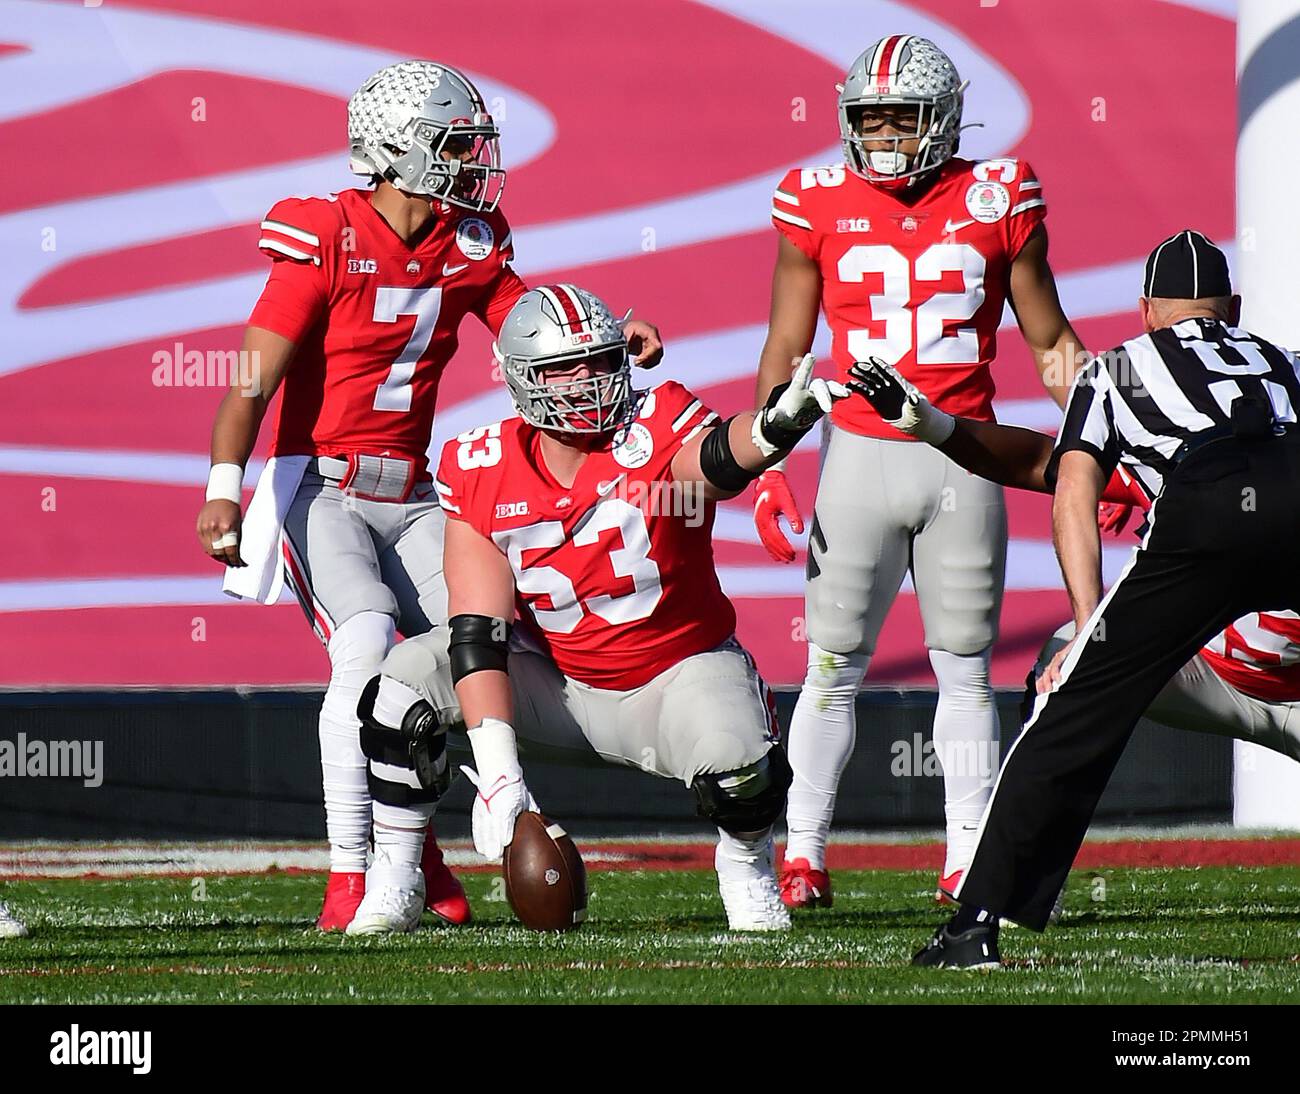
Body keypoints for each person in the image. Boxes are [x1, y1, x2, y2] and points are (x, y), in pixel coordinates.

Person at [194, 62, 661, 933]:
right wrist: (225, 486)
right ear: (395, 150)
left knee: (474, 644)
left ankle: (451, 834)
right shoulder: (326, 233)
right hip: (321, 485)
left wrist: (605, 338)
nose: (473, 161)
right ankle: (350, 875)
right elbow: (253, 378)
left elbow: (531, 324)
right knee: (367, 644)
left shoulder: (466, 239)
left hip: (412, 493)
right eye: (454, 144)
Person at [356, 283, 867, 932]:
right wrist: (499, 776)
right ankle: (396, 876)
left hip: (673, 681)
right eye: (569, 367)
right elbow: (477, 634)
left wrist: (773, 427)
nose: (592, 378)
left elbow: (715, 461)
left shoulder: (654, 423)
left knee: (745, 772)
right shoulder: (481, 464)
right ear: (525, 380)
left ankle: (746, 868)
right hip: (555, 683)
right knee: (401, 685)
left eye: (600, 359)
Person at [883, 229, 1300, 967]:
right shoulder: (1284, 361)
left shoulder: (1118, 367)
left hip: (1206, 506)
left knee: (1069, 711)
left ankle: (975, 924)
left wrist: (1087, 624)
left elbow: (1068, 481)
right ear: (1232, 309)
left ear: (1144, 311)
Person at [753, 34, 1087, 908]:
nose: (887, 135)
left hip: (960, 454)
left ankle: (967, 855)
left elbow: (1049, 342)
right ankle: (804, 853)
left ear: (942, 118)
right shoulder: (813, 199)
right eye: (870, 119)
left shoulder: (998, 195)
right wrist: (767, 460)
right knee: (831, 666)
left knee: (967, 668)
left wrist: (1101, 438)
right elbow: (788, 345)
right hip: (856, 453)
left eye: (903, 117)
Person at [850, 356, 1300, 765]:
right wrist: (933, 426)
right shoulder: (1188, 465)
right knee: (1065, 663)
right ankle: (1018, 833)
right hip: (1204, 675)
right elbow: (1040, 461)